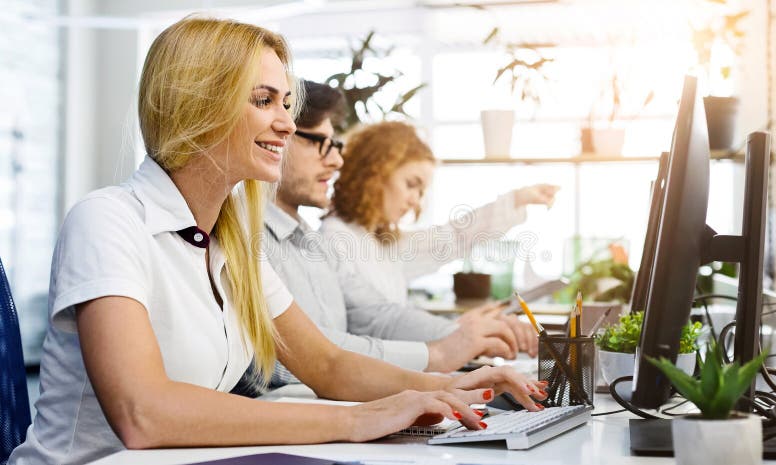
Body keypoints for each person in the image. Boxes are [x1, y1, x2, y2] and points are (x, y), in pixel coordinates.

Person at [9, 17, 547, 465]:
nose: (287, 124)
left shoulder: (232, 242)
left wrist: (451, 388)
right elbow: (144, 413)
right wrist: (356, 420)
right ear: (200, 104)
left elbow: (328, 365)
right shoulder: (107, 221)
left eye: (286, 103)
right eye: (264, 100)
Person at [262, 80, 530, 388]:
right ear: (377, 173)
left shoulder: (313, 239)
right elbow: (315, 357)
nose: (337, 161)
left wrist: (456, 336)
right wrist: (443, 348)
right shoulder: (320, 239)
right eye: (411, 184)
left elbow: (376, 315)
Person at [320, 121, 559, 308]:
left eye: (421, 190)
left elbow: (452, 237)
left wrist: (517, 199)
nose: (415, 200)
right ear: (375, 173)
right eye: (411, 184)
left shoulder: (379, 241)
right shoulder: (337, 239)